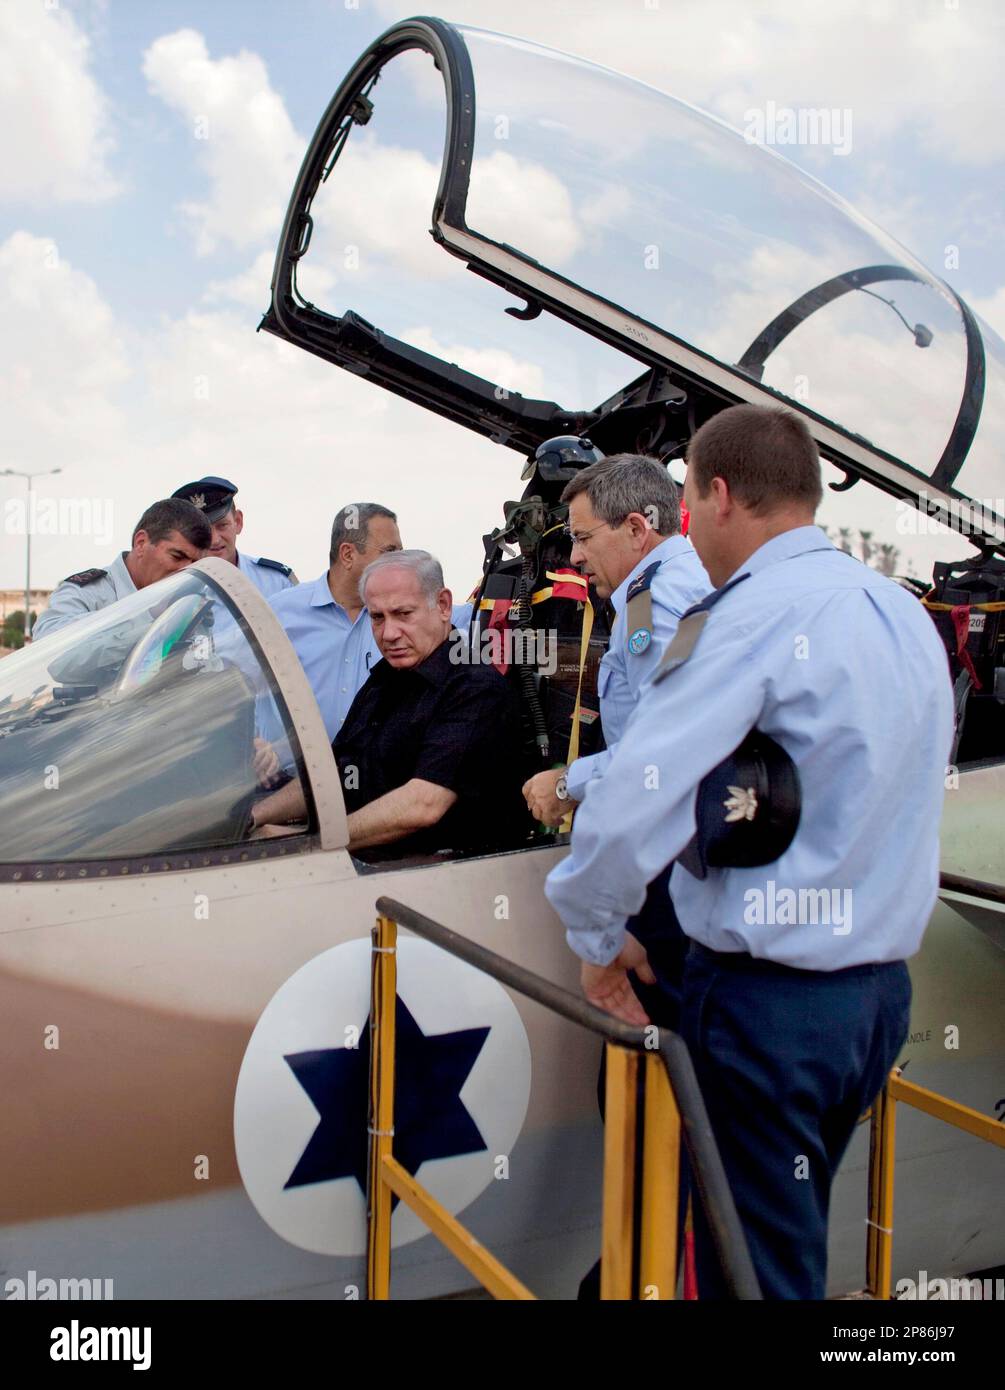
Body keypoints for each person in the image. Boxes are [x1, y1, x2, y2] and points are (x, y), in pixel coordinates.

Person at [544, 404, 954, 1300]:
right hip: (874, 1000)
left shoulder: (743, 620)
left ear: (717, 496)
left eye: (687, 500)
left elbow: (632, 804)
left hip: (767, 1007)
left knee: (741, 1269)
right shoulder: (898, 610)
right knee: (777, 1239)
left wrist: (595, 934)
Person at [522, 454, 710, 1023]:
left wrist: (568, 782)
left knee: (646, 1069)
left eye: (583, 537)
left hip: (670, 865)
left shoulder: (649, 604)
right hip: (690, 859)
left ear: (635, 527)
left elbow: (675, 741)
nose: (574, 555)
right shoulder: (686, 583)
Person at [251, 550, 527, 859]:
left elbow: (422, 805)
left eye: (403, 614)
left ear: (444, 605)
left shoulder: (475, 689)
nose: (389, 634)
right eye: (377, 617)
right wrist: (254, 817)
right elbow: (334, 773)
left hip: (443, 884)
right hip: (368, 872)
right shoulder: (386, 679)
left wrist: (305, 843)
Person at [267, 503, 402, 742]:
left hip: (379, 777)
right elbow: (239, 688)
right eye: (389, 552)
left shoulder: (409, 618)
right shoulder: (278, 613)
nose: (400, 564)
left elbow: (462, 618)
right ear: (348, 554)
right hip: (295, 776)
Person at [32, 498, 211, 640]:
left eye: (194, 564)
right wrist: (147, 617)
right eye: (177, 556)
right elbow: (47, 643)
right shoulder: (88, 593)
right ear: (141, 543)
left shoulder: (189, 602)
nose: (185, 571)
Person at [171, 476, 297, 598]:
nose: (215, 540)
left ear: (238, 521)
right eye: (204, 530)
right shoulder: (177, 595)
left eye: (222, 525)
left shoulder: (276, 582)